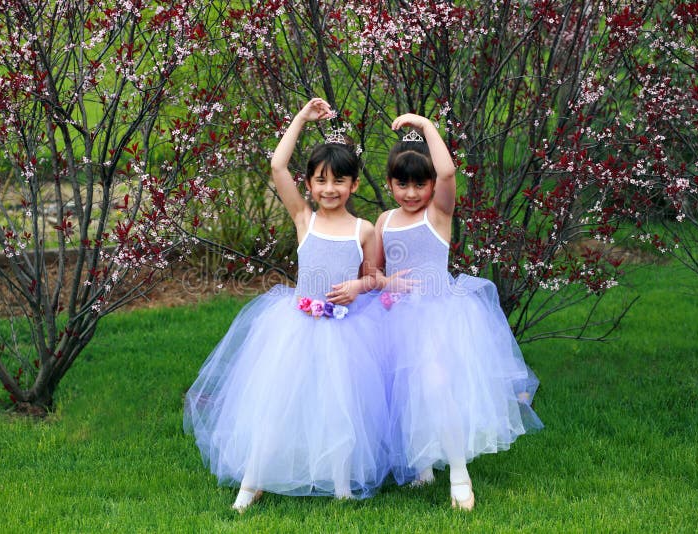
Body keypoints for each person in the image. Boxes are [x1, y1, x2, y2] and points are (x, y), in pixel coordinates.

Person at [183, 98, 389, 512]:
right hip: (295, 326)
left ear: (354, 185)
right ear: (309, 184)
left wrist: (357, 286)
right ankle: (253, 479)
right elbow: (277, 167)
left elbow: (375, 276)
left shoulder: (364, 229)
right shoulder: (304, 218)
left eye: (339, 181)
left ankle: (341, 480)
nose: (329, 189)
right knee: (276, 404)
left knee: (339, 405)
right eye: (320, 181)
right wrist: (300, 119)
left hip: (344, 331)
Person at [373, 113, 543, 511]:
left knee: (437, 386)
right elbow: (373, 269)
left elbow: (449, 173)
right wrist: (385, 283)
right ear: (390, 185)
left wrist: (424, 125)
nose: (412, 193)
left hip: (437, 316)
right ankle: (423, 464)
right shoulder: (384, 221)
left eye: (421, 184)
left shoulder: (438, 215)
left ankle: (458, 472)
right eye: (403, 184)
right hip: (395, 319)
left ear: (432, 186)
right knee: (406, 393)